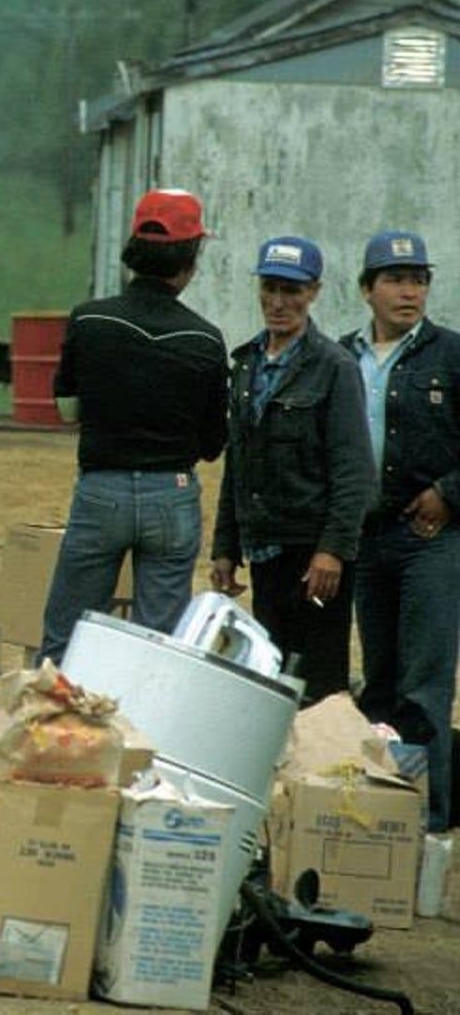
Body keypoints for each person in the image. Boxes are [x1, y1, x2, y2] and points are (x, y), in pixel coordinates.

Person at [38, 188, 227, 665]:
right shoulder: (205, 339)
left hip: (102, 489)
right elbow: (212, 444)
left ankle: (55, 730)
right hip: (172, 493)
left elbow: (65, 409)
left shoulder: (90, 319)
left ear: (133, 249)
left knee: (68, 636)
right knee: (157, 649)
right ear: (190, 259)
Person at [209, 235, 372, 704]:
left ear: (314, 292)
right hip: (263, 553)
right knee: (269, 680)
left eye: (292, 291)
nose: (279, 302)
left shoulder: (334, 367)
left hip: (314, 560)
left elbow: (353, 470)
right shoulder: (245, 365)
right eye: (271, 288)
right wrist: (226, 547)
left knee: (318, 684)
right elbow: (237, 463)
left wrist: (333, 551)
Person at [339, 230, 460, 832]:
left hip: (431, 539)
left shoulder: (451, 355)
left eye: (418, 279)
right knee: (379, 680)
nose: (409, 291)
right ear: (367, 289)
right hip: (368, 536)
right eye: (395, 278)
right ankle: (381, 818)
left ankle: (430, 824)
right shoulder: (342, 357)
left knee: (425, 682)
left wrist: (448, 493)